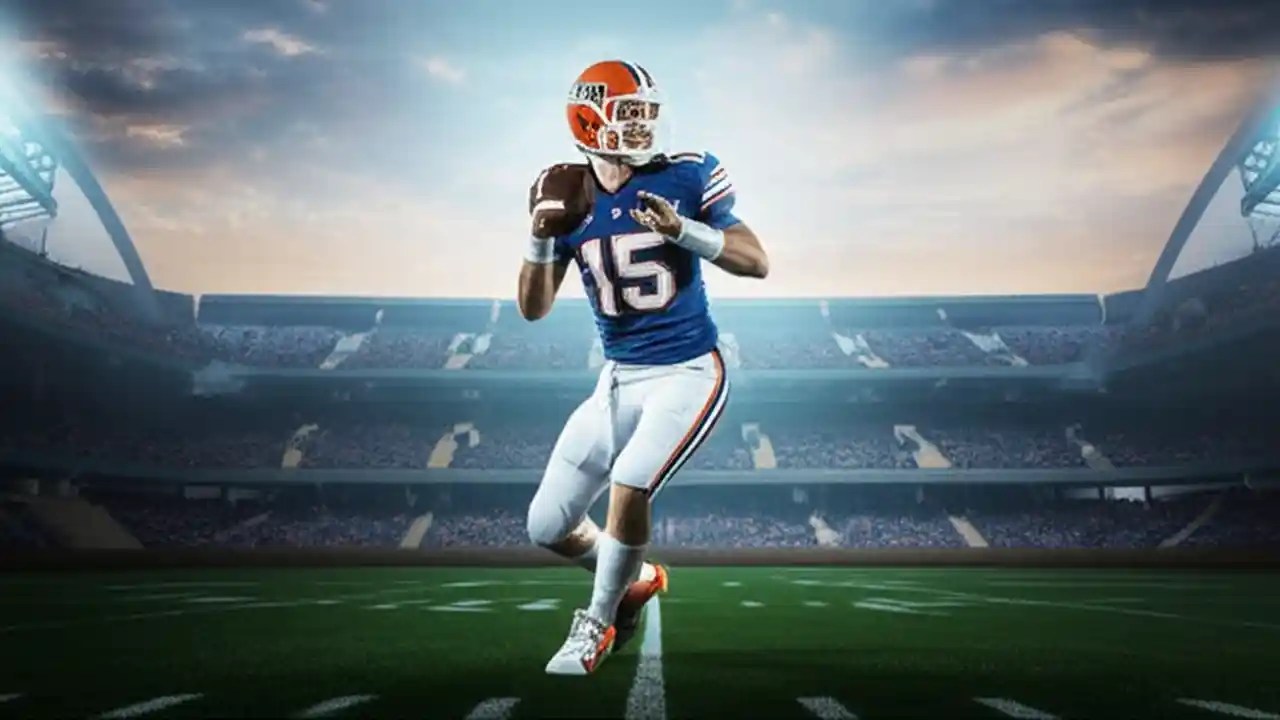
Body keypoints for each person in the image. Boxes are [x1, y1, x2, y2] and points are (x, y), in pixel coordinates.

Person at [518, 59, 770, 676]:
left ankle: (597, 625)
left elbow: (755, 260)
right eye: (627, 116)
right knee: (546, 524)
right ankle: (638, 577)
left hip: (687, 370)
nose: (640, 128)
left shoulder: (687, 176)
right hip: (617, 378)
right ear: (589, 117)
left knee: (631, 481)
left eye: (645, 116)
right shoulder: (563, 189)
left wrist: (683, 230)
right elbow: (533, 308)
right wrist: (538, 239)